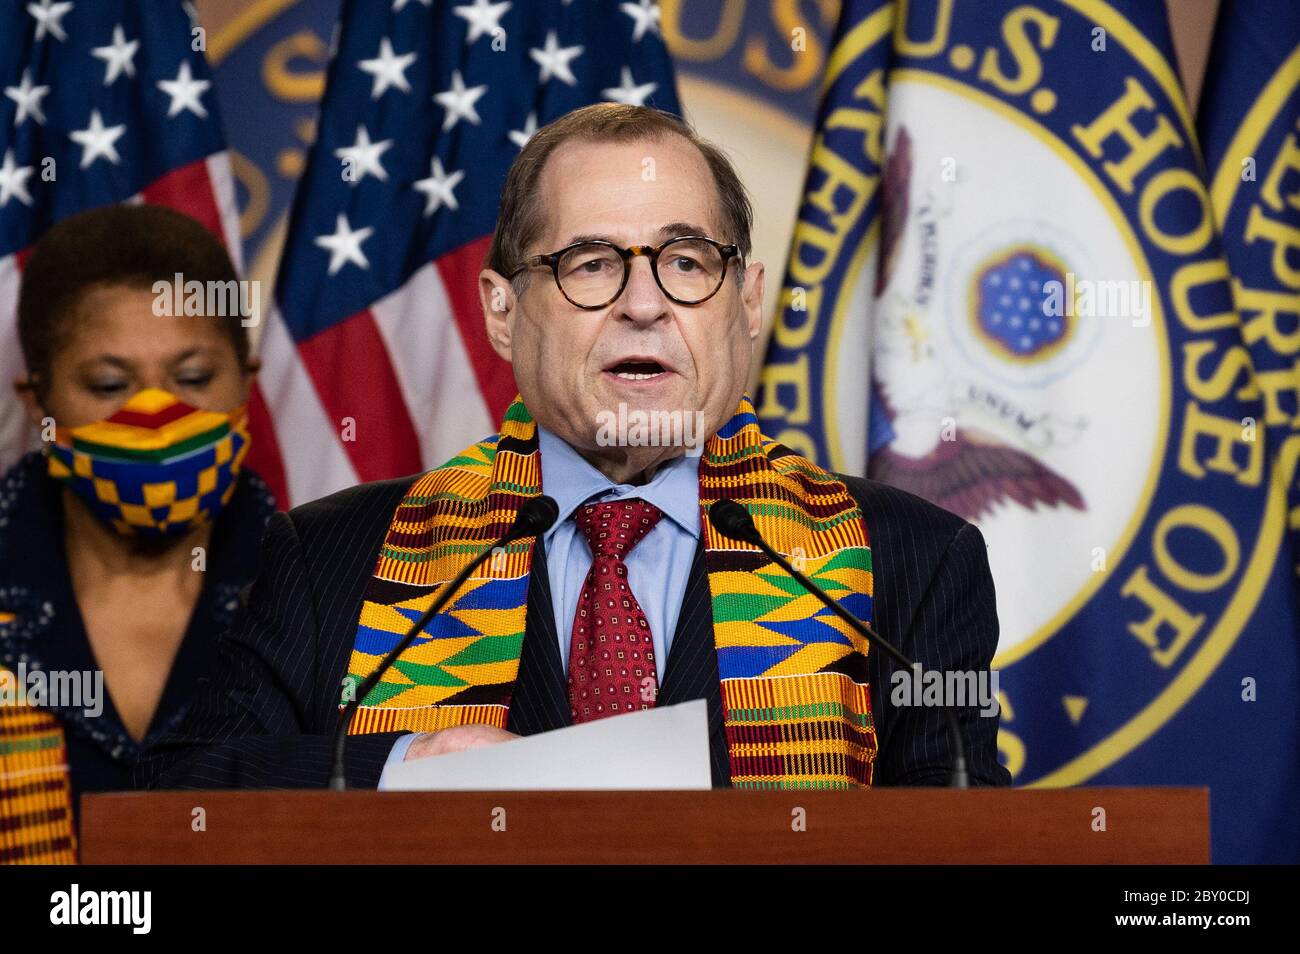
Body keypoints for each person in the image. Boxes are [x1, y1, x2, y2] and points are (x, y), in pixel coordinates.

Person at [145, 103, 1010, 791]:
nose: (643, 304)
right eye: (591, 263)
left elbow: (969, 849)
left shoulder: (913, 563)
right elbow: (179, 802)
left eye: (686, 259)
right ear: (501, 311)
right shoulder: (328, 560)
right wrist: (406, 770)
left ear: (746, 302)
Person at [0, 205, 274, 863]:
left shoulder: (337, 596)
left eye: (193, 378)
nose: (155, 417)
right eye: (109, 384)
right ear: (37, 402)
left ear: (246, 381)